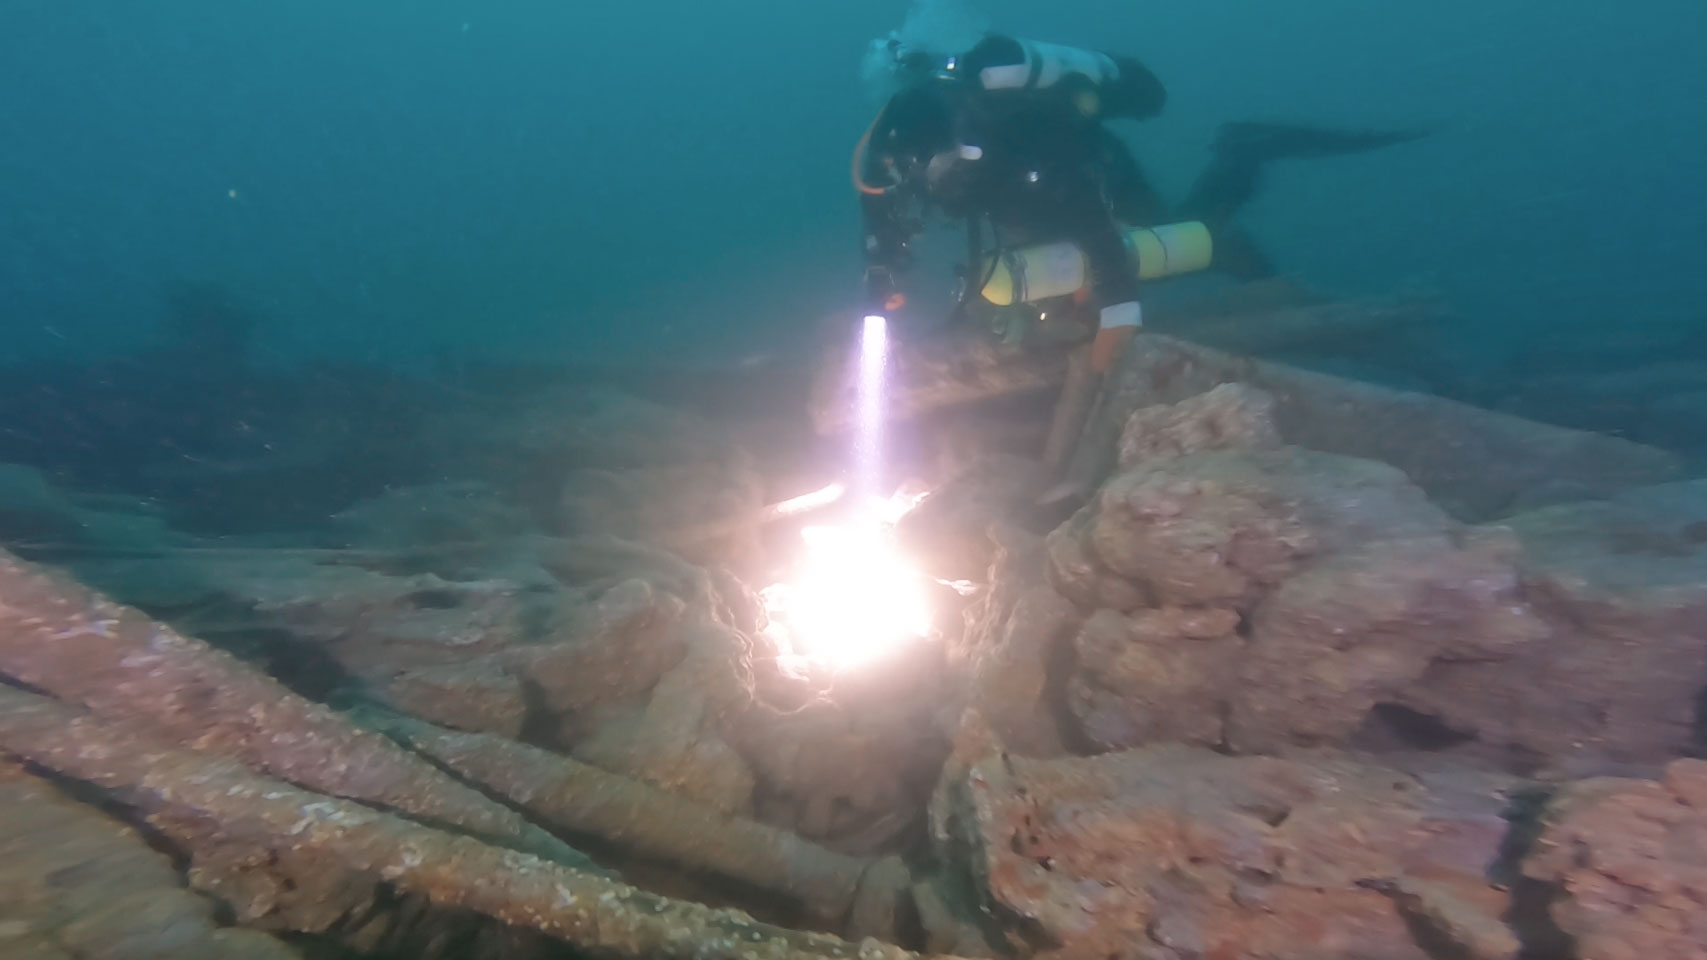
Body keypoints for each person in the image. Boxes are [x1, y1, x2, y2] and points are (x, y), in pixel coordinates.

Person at [853, 32, 1420, 493]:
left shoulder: (1012, 139)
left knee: (1182, 240)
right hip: (1026, 202)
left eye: (948, 171)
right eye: (929, 175)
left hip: (1090, 172)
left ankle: (1241, 152)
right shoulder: (889, 152)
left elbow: (1091, 225)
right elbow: (881, 218)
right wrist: (883, 279)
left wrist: (1118, 315)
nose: (941, 185)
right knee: (1056, 274)